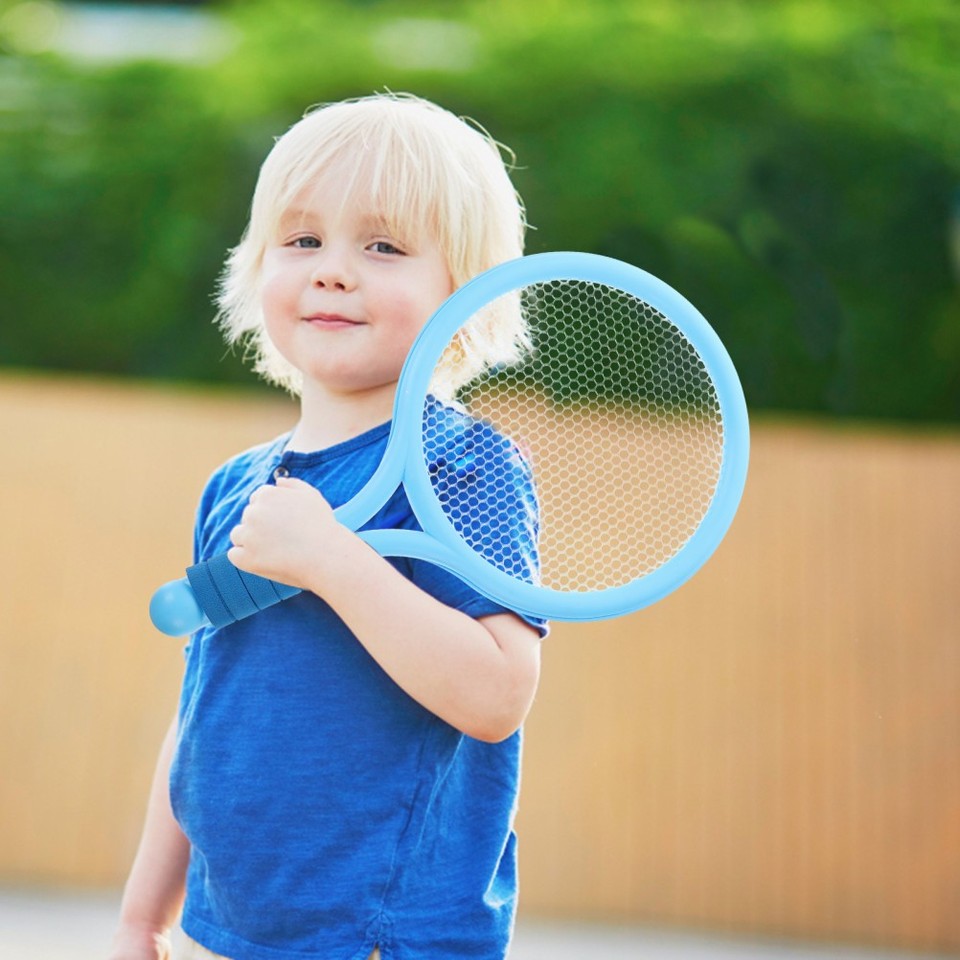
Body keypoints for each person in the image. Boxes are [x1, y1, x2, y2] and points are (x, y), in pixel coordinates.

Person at [108, 92, 547, 960]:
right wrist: (143, 916)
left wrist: (331, 561)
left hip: (379, 938)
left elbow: (497, 696)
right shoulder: (236, 487)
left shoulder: (465, 469)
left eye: (383, 247)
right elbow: (203, 715)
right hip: (231, 930)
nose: (333, 271)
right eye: (303, 240)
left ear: (466, 295)